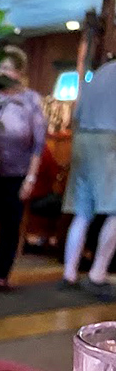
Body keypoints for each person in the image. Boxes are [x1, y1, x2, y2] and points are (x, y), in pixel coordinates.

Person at [0, 47, 47, 291]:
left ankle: (2, 276)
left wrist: (31, 179)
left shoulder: (31, 100)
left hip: (18, 174)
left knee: (10, 227)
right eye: (1, 68)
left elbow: (38, 144)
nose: (4, 73)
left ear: (19, 71)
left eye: (9, 68)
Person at [62, 58, 116, 299]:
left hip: (82, 139)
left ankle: (69, 273)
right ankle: (97, 274)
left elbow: (77, 113)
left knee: (82, 212)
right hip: (108, 140)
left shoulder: (103, 71)